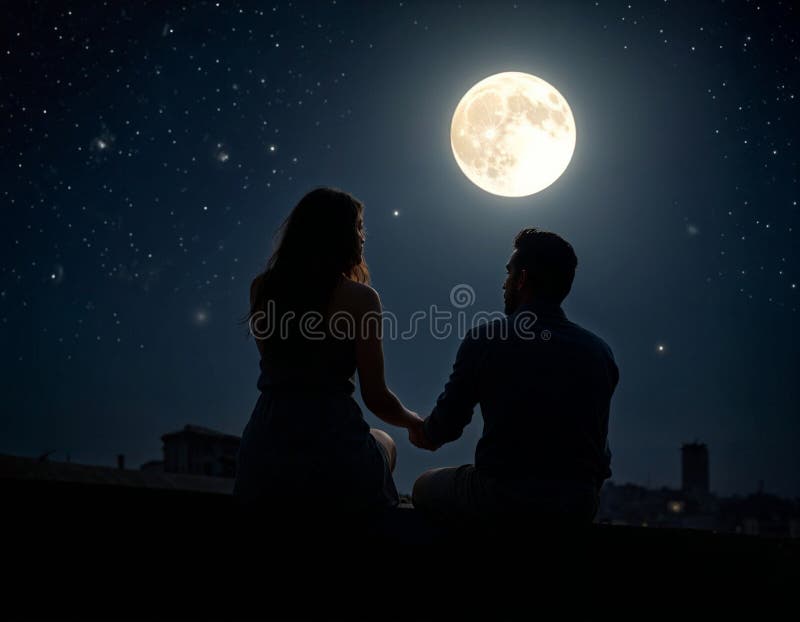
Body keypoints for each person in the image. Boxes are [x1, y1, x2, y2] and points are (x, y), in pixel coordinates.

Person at [409, 228, 619, 528]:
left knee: (421, 486)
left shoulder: (486, 339)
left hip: (502, 497)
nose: (503, 283)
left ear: (521, 279)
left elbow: (447, 425)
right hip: (577, 505)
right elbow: (600, 450)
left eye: (508, 274)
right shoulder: (600, 352)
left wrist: (422, 431)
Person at [233, 187, 422, 515]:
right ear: (341, 234)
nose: (364, 236)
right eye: (359, 226)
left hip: (265, 447)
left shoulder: (261, 288)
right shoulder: (361, 299)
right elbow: (376, 398)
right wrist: (414, 422)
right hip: (332, 443)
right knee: (385, 442)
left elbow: (278, 366)